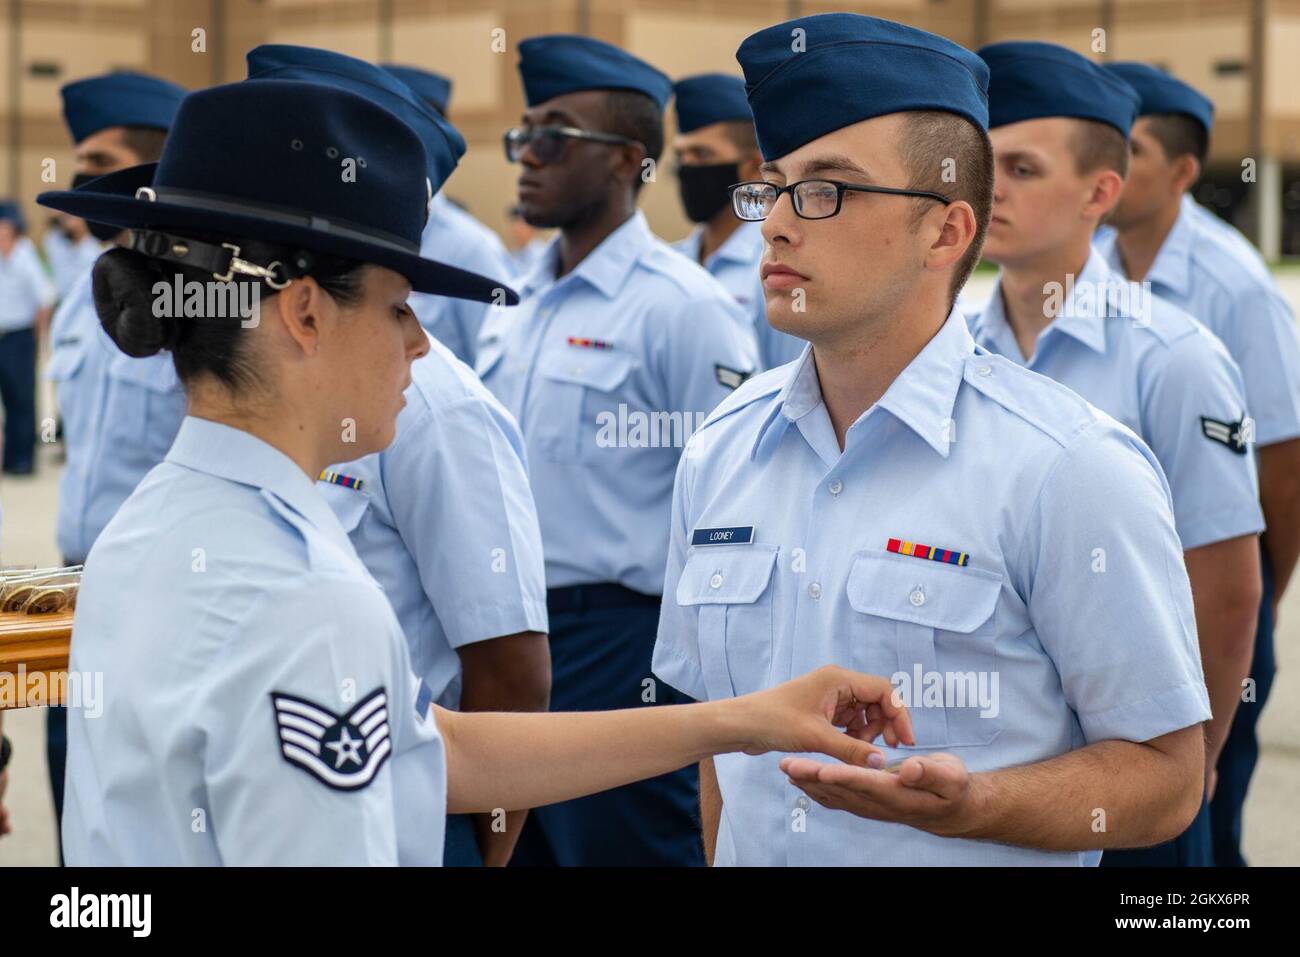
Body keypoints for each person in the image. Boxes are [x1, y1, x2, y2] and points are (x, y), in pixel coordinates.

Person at [39, 78, 911, 865]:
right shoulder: (306, 601)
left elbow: (437, 751)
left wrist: (747, 719)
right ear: (305, 313)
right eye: (399, 307)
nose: (420, 343)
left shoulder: (149, 526)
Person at [653, 12, 1210, 866]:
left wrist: (977, 806)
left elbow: (1168, 776)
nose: (775, 225)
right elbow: (719, 756)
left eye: (827, 189)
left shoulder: (1066, 467)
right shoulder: (721, 450)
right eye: (774, 186)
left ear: (945, 232)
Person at [246, 44, 550, 867]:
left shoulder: (436, 409)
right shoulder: (240, 378)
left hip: (398, 818)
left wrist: (478, 854)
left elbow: (512, 672)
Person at [968, 41, 1264, 866]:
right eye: (982, 163)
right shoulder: (957, 351)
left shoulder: (1171, 355)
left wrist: (1187, 768)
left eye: (1022, 169)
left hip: (1132, 775)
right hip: (1003, 770)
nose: (991, 189)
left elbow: (1228, 586)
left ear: (1101, 191)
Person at [479, 33, 759, 866]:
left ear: (627, 161)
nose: (526, 156)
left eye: (554, 135)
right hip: (511, 643)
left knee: (625, 851)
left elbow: (730, 508)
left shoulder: (684, 309)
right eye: (522, 133)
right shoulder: (517, 305)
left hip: (623, 646)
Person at [1095, 60, 1300, 867]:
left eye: (1134, 152)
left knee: (1205, 834)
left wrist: (1252, 605)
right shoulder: (1092, 266)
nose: (1112, 168)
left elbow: (1284, 467)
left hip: (1213, 612)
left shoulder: (1235, 287)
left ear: (1183, 172)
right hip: (1116, 610)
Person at [42, 70, 187, 856]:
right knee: (76, 801)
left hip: (162, 603)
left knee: (149, 821)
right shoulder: (79, 295)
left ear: (146, 178)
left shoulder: (202, 301)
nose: (74, 179)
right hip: (72, 597)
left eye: (95, 159)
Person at [671, 73, 803, 370]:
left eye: (702, 155)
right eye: (681, 156)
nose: (687, 168)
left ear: (749, 167)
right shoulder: (674, 260)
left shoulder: (777, 264)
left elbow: (789, 376)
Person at [0, 201, 55, 476]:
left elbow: (44, 299)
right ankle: (6, 457)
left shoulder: (25, 254)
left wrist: (37, 339)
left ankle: (22, 459)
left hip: (19, 337)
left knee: (21, 398)